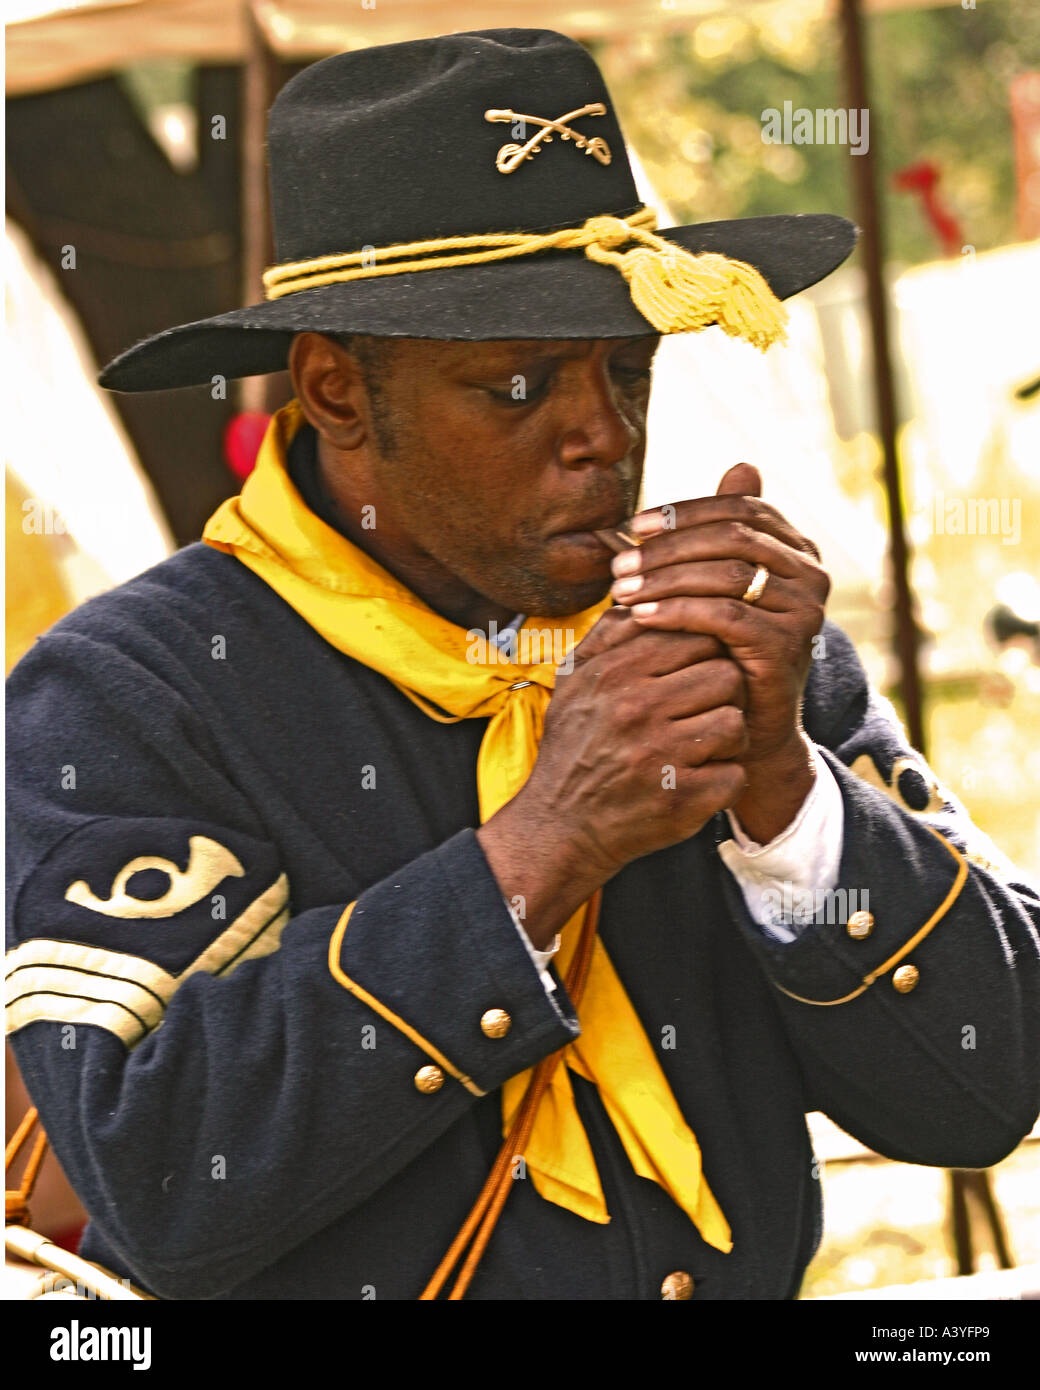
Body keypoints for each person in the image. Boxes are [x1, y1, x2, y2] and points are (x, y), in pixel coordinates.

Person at [6, 29, 1038, 1302]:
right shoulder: (132, 690)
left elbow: (985, 1089)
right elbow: (157, 1178)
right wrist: (541, 847)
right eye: (513, 386)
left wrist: (784, 793)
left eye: (624, 367)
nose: (601, 436)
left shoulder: (736, 647)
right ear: (334, 391)